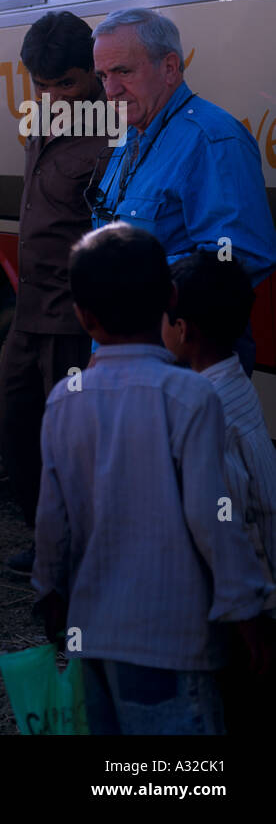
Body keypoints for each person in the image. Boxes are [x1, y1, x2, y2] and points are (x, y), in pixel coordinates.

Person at [33, 223, 273, 735]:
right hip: (173, 643)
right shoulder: (190, 397)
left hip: (91, 635)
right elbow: (213, 520)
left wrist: (48, 591)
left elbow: (53, 520)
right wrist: (247, 612)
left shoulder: (63, 400)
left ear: (83, 316)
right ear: (168, 299)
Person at [88, 7, 276, 372]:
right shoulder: (133, 136)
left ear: (170, 67)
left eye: (123, 72)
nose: (110, 90)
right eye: (103, 76)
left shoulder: (212, 138)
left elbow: (239, 258)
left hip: (184, 366)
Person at [0, 11, 107, 573]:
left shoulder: (114, 130)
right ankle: (46, 537)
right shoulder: (42, 115)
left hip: (74, 312)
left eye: (66, 82)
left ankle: (75, 554)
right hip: (29, 304)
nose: (54, 94)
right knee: (13, 418)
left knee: (71, 440)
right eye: (43, 85)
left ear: (92, 72)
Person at [162, 252, 276, 731]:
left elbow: (233, 530)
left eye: (163, 320)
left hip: (242, 620)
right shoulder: (238, 384)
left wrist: (250, 626)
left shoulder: (208, 416)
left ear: (184, 330)